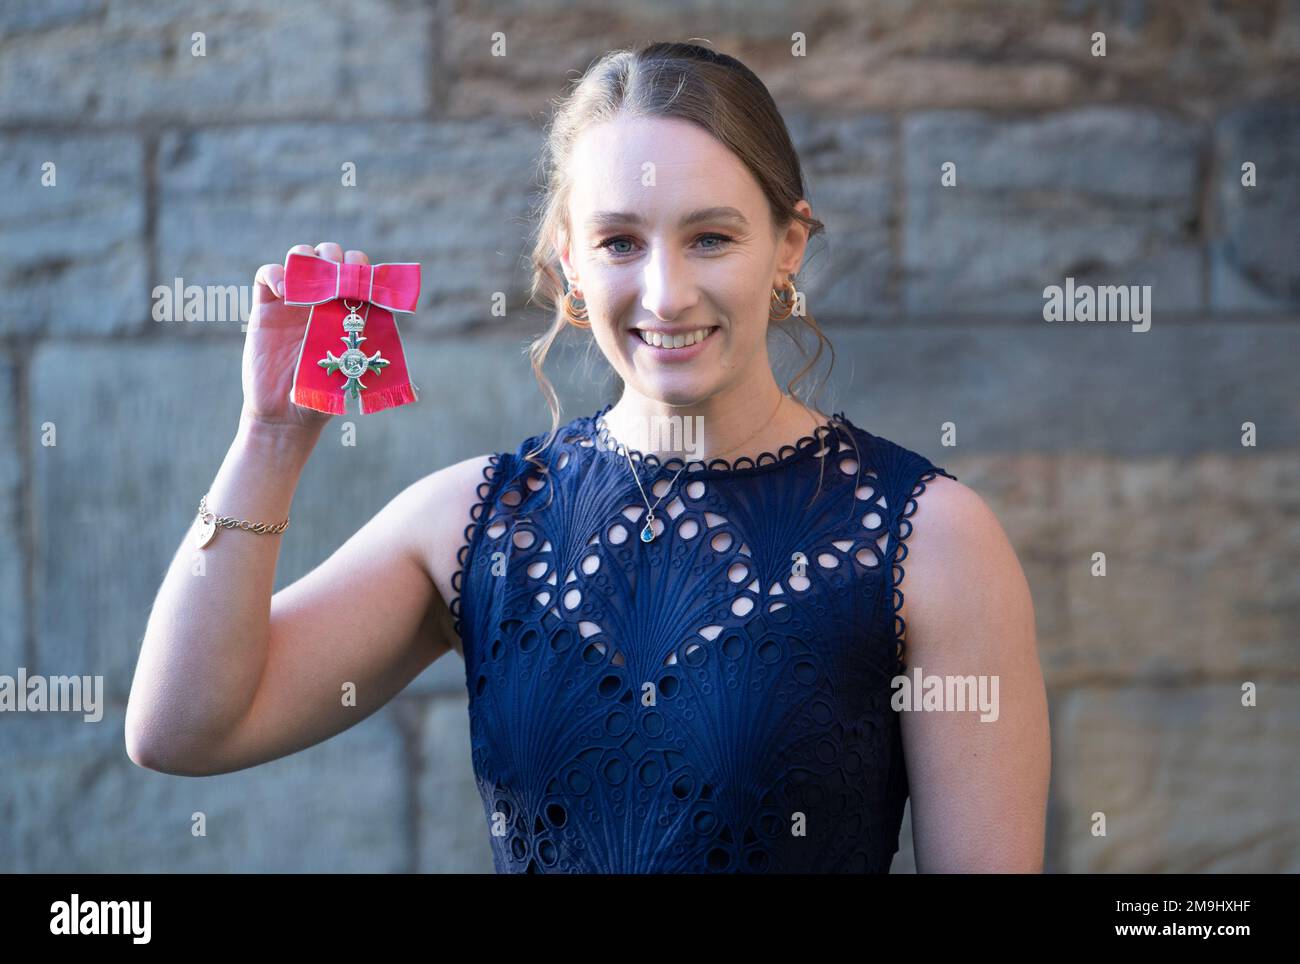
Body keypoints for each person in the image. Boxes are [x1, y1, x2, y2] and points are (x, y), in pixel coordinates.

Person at [127, 41, 1049, 873]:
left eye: (711, 237)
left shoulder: (928, 540)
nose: (667, 291)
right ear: (569, 263)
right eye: (619, 242)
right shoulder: (470, 525)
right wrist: (272, 437)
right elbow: (183, 728)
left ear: (788, 248)